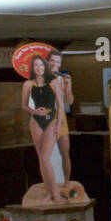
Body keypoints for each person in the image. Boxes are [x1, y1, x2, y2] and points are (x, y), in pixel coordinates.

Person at [20, 54, 64, 200]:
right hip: (36, 121)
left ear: (45, 66)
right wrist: (34, 111)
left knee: (45, 158)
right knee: (41, 158)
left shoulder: (53, 82)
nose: (38, 68)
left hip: (51, 120)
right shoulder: (28, 84)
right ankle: (48, 191)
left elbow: (60, 105)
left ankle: (55, 193)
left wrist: (59, 124)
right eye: (35, 65)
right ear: (32, 68)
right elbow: (24, 105)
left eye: (40, 65)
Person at [49, 50, 74, 183]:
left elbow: (69, 102)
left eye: (57, 61)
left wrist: (68, 87)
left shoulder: (62, 78)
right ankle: (51, 184)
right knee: (48, 156)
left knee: (65, 153)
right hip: (47, 120)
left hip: (61, 119)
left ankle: (66, 183)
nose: (54, 64)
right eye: (52, 61)